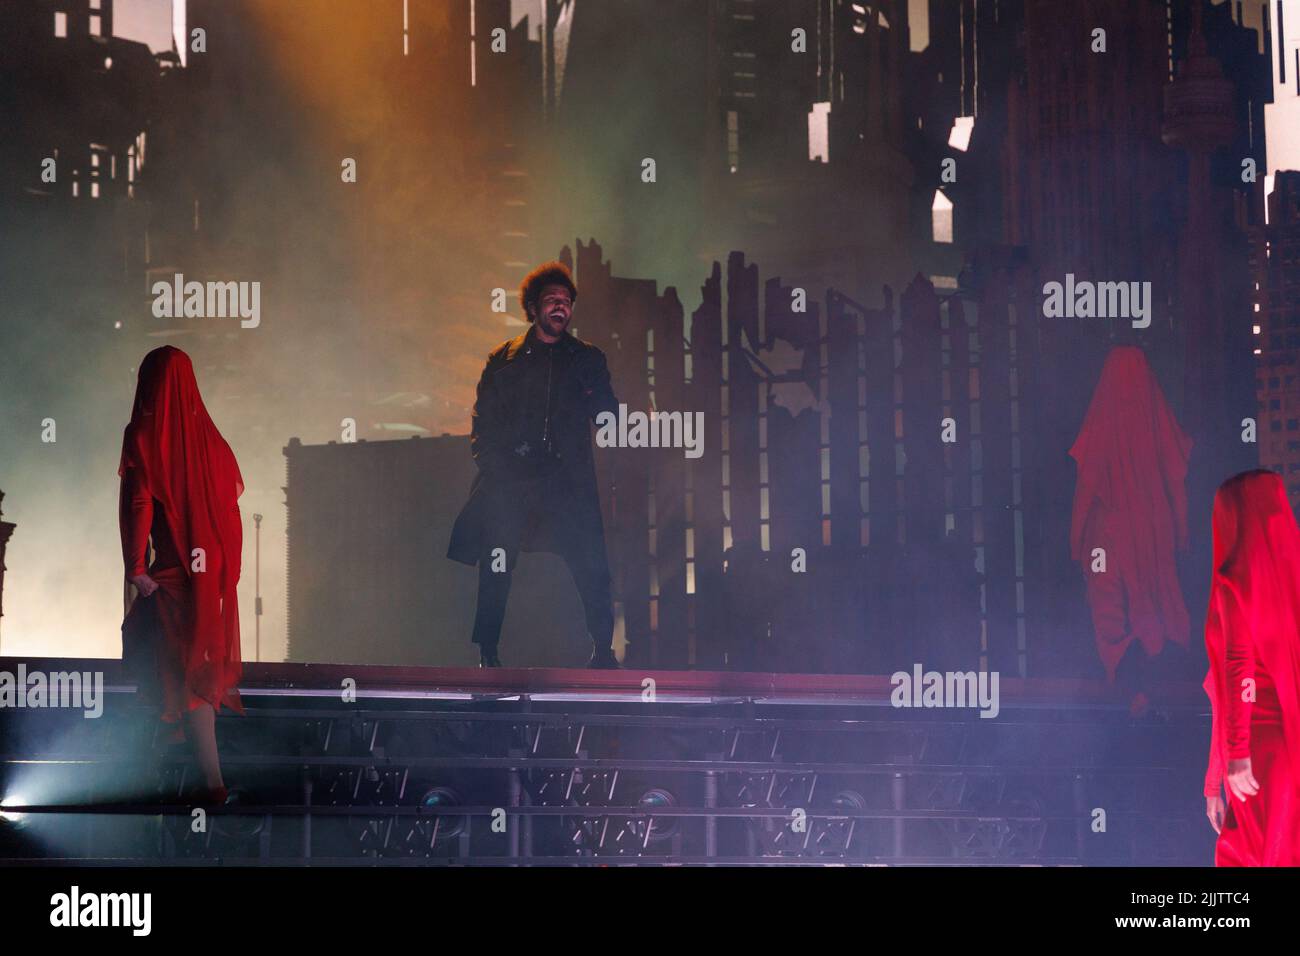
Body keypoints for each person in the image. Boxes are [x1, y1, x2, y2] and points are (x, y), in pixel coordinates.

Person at [447, 261, 621, 668]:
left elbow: (607, 416)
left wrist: (601, 399)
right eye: (551, 301)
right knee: (497, 561)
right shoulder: (503, 360)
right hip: (514, 479)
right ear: (533, 308)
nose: (560, 308)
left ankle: (603, 650)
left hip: (566, 482)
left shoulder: (586, 359)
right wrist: (497, 468)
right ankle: (487, 652)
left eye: (566, 302)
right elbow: (482, 422)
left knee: (590, 561)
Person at [119, 346, 245, 804]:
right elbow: (230, 512)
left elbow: (138, 504)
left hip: (171, 578)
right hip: (203, 580)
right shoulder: (214, 443)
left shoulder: (144, 435)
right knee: (196, 668)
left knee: (167, 668)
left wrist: (137, 569)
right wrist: (222, 574)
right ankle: (198, 782)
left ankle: (200, 784)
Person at [1068, 346, 1193, 715]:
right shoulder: (1167, 506)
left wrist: (1134, 683)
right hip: (1171, 678)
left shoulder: (1105, 518)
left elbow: (1107, 617)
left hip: (1131, 693)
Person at [1203, 469, 1300, 866]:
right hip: (1290, 748)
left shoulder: (1236, 578)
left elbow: (1238, 668)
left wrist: (1236, 754)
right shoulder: (1289, 573)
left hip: (1257, 750)